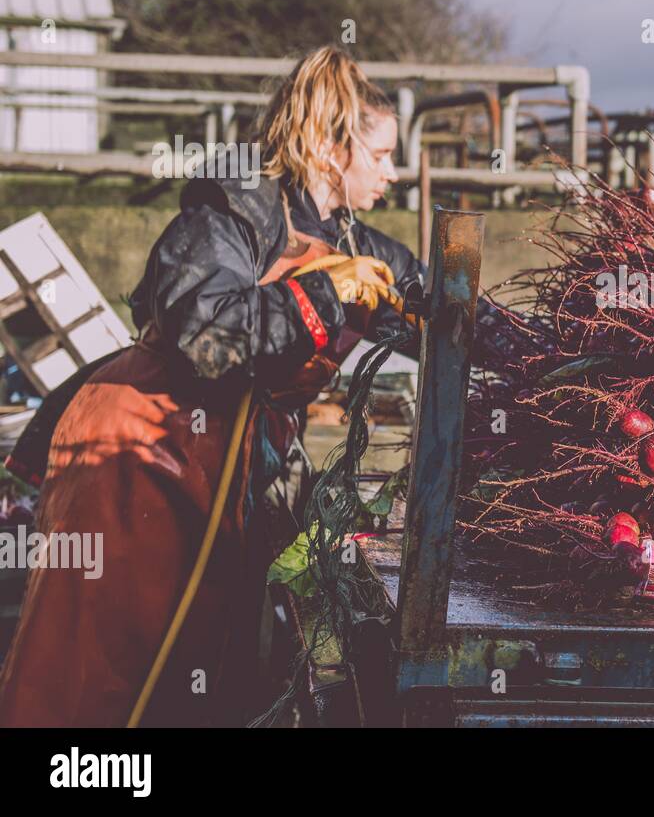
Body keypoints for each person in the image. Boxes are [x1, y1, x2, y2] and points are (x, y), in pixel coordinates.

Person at [0, 46, 423, 726]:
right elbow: (208, 335)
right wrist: (320, 294)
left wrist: (548, 350)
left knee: (210, 665)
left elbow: (439, 303)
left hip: (228, 470)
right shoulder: (228, 211)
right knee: (101, 671)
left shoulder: (349, 236)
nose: (392, 174)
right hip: (139, 453)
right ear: (327, 145)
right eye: (380, 156)